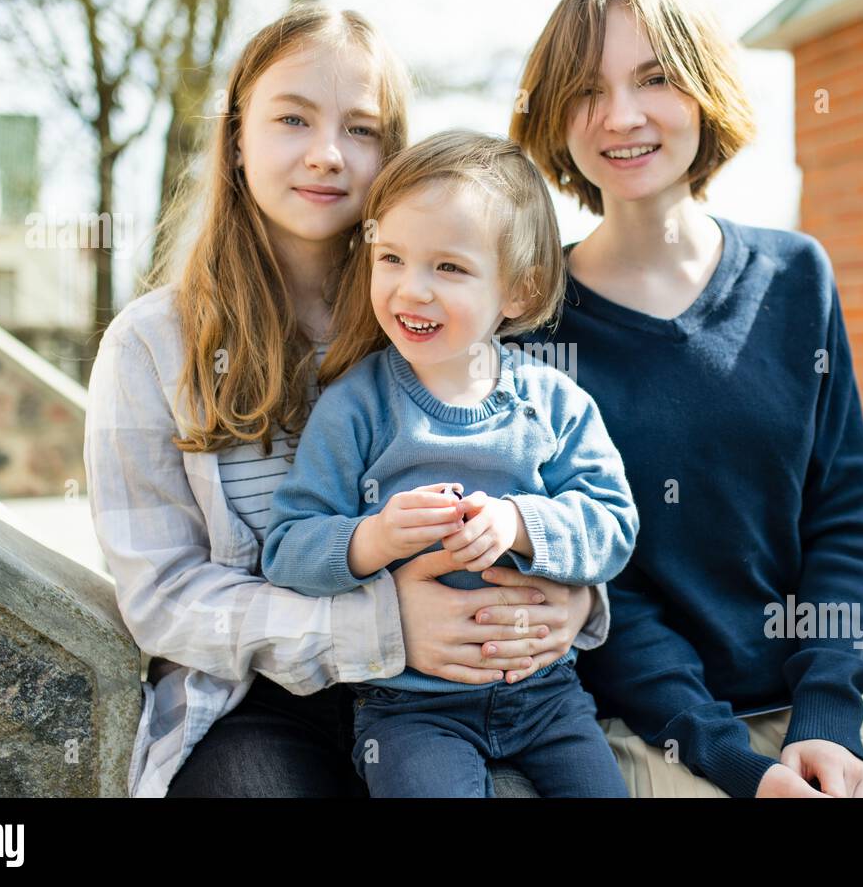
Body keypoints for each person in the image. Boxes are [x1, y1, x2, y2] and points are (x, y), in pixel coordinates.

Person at [83, 4, 610, 798]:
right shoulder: (152, 347)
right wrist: (380, 630)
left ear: (396, 159)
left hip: (466, 691)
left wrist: (570, 601)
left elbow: (536, 482)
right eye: (292, 118)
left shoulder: (432, 313)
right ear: (236, 137)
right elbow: (162, 597)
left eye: (362, 130)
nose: (327, 155)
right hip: (260, 702)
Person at [509, 0, 863, 798]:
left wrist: (826, 718)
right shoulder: (529, 325)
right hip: (634, 722)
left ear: (704, 91)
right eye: (588, 89)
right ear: (556, 116)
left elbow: (841, 513)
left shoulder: (796, 277)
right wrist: (730, 760)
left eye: (655, 78)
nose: (622, 116)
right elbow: (595, 581)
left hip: (805, 708)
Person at [261, 130, 637, 797]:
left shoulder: (554, 403)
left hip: (547, 694)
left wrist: (521, 523)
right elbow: (287, 548)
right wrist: (369, 539)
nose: (412, 290)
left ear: (518, 292)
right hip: (408, 710)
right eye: (393, 258)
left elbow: (613, 527)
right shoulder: (357, 408)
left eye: (449, 268)